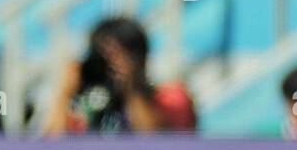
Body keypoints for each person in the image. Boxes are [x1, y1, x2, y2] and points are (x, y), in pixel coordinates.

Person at [42, 16, 196, 133]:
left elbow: (155, 143)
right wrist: (64, 94)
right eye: (104, 58)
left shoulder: (172, 98)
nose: (111, 66)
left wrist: (131, 89)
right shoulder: (90, 110)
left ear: (140, 58)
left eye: (117, 57)